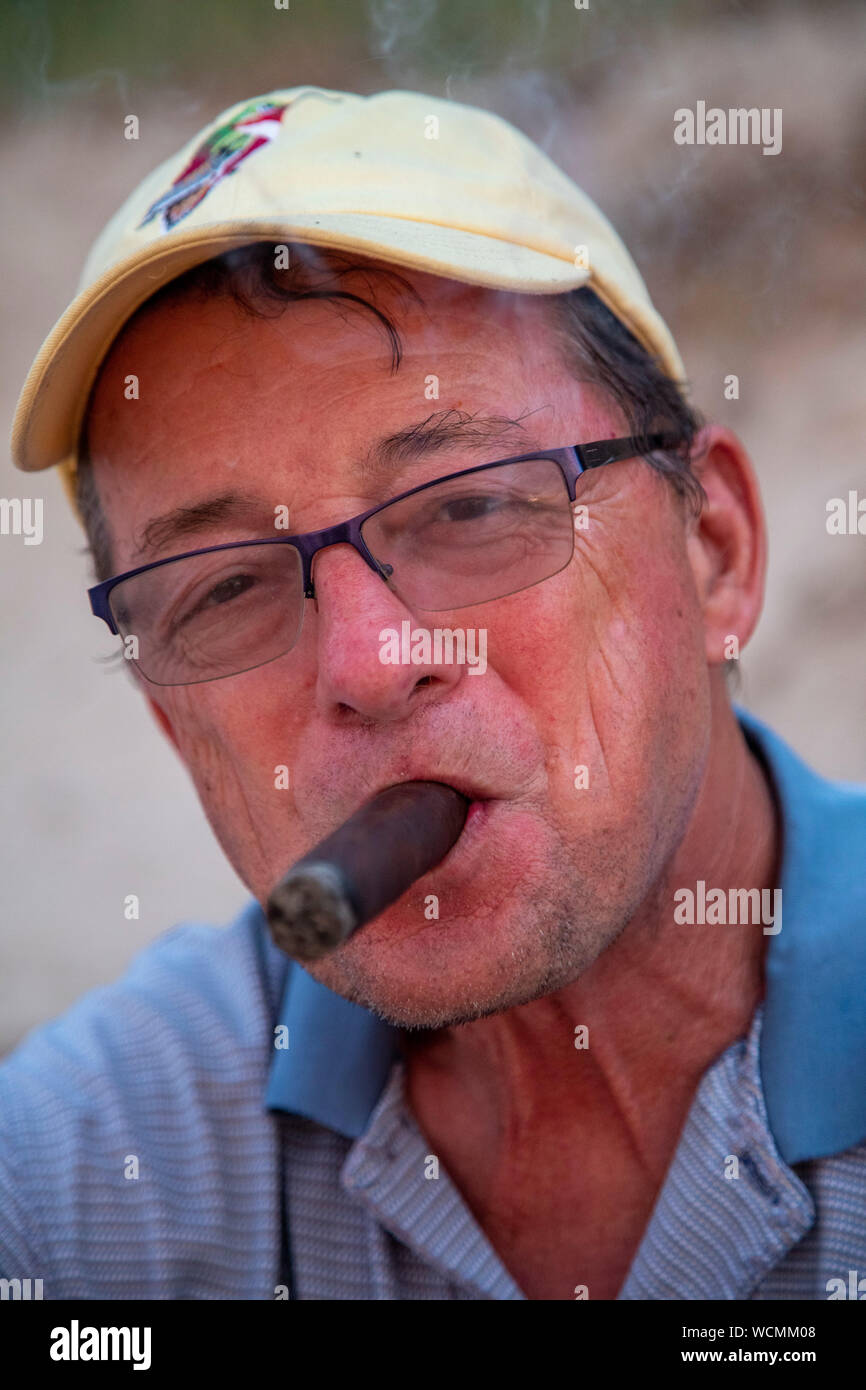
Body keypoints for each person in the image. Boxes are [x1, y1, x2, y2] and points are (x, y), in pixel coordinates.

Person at [4, 85, 865, 1302]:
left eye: (469, 505)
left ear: (711, 550)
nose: (363, 664)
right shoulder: (80, 1176)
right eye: (224, 588)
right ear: (172, 721)